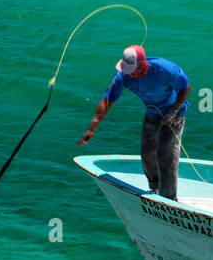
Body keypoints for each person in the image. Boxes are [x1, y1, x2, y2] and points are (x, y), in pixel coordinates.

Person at [77, 45, 190, 200]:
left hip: (174, 114)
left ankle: (169, 198)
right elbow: (107, 101)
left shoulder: (165, 69)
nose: (129, 74)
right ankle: (155, 187)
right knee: (147, 152)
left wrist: (173, 111)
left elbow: (185, 87)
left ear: (142, 64)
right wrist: (92, 128)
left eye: (132, 70)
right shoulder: (122, 76)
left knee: (165, 154)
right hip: (152, 113)